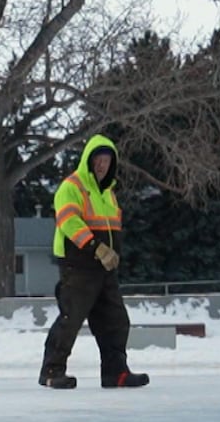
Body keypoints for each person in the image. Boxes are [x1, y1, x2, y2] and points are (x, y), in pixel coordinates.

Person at [39, 134, 149, 389]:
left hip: (105, 268)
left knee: (116, 320)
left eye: (107, 160)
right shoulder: (72, 187)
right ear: (88, 160)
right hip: (78, 265)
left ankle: (115, 372)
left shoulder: (108, 193)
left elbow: (111, 228)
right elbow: (69, 222)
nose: (102, 164)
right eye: (97, 159)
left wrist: (112, 254)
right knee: (71, 318)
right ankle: (51, 371)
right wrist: (95, 247)